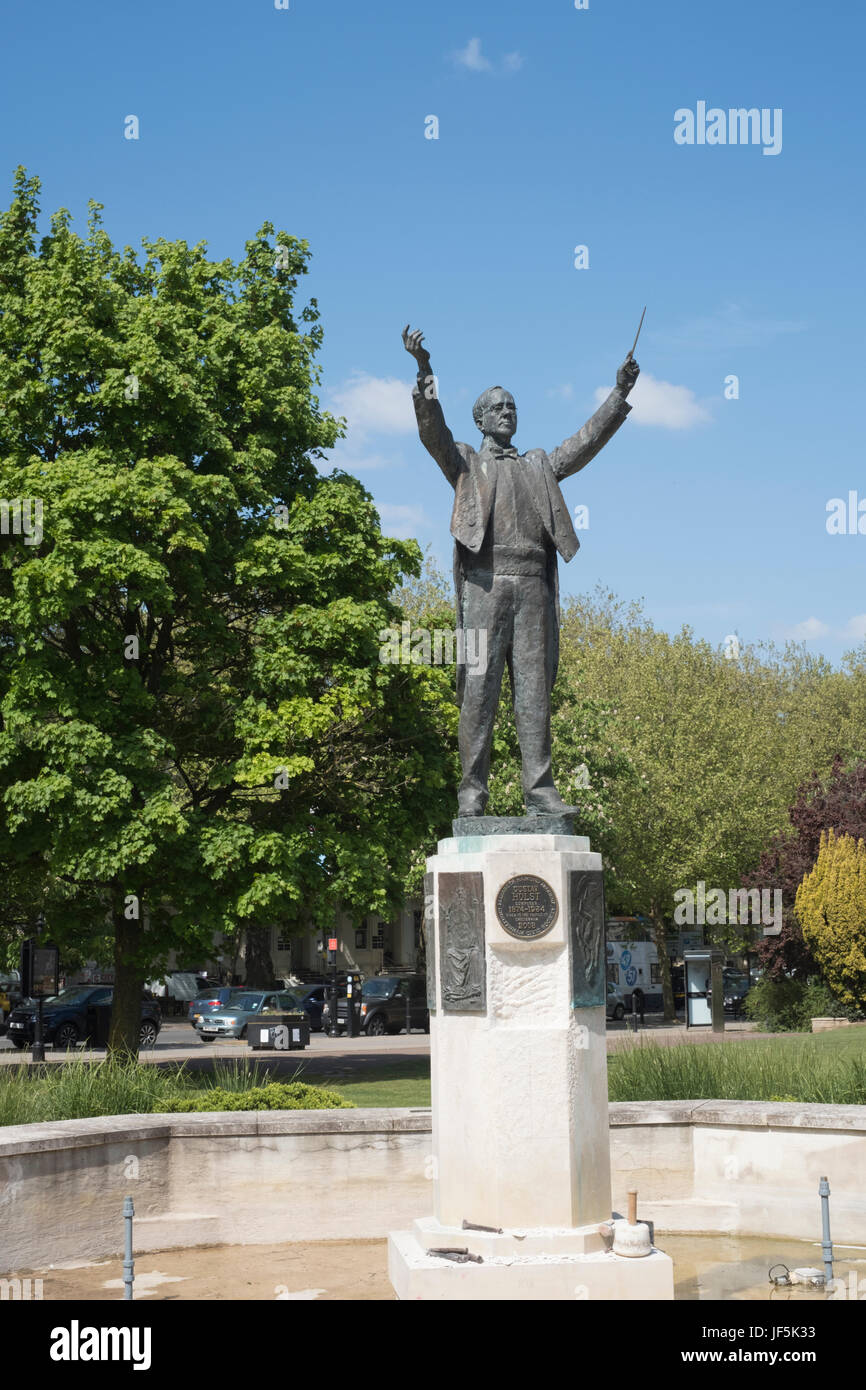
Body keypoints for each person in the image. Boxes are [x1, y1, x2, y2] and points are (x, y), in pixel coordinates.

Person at [403, 325, 639, 817]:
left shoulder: (538, 465)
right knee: (478, 690)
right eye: (499, 408)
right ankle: (472, 794)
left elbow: (583, 444)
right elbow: (433, 434)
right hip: (484, 587)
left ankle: (540, 791)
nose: (508, 413)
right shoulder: (467, 462)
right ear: (482, 420)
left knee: (534, 692)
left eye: (513, 407)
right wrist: (425, 372)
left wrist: (619, 394)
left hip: (533, 587)